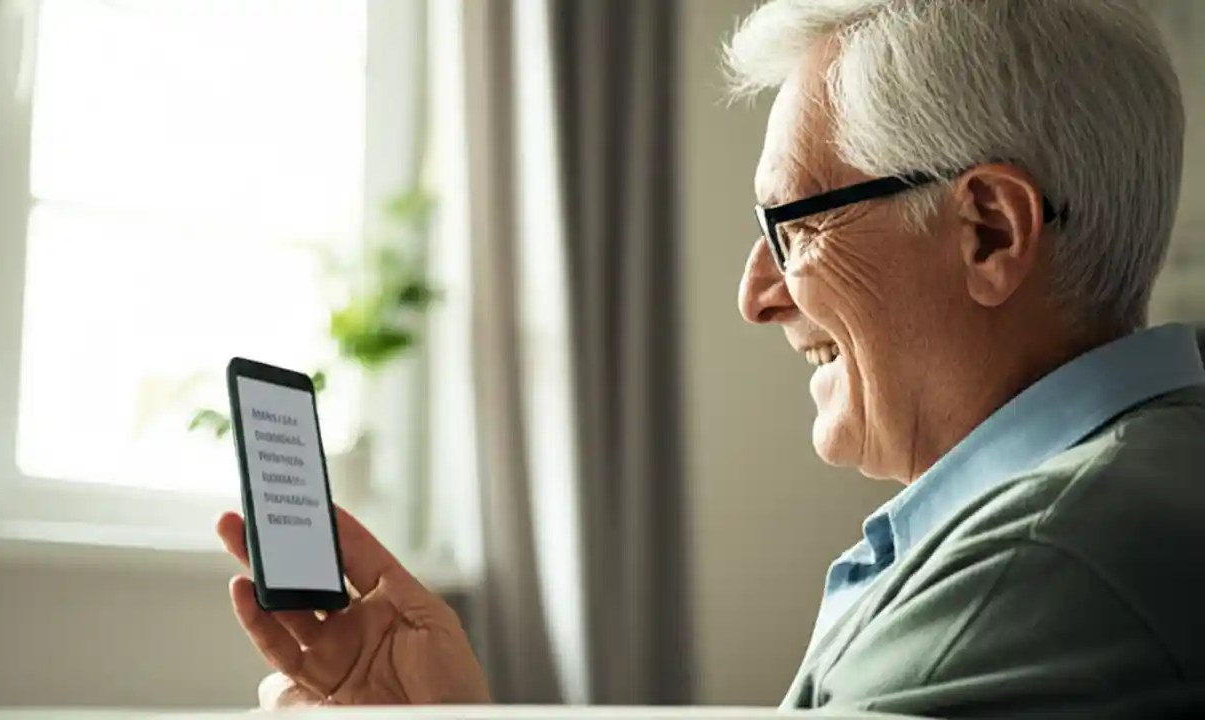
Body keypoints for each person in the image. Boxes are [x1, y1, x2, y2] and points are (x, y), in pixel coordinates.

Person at [217, 0, 1205, 714]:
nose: (754, 293)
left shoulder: (1043, 570)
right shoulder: (1106, 504)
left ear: (986, 232)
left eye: (792, 227)